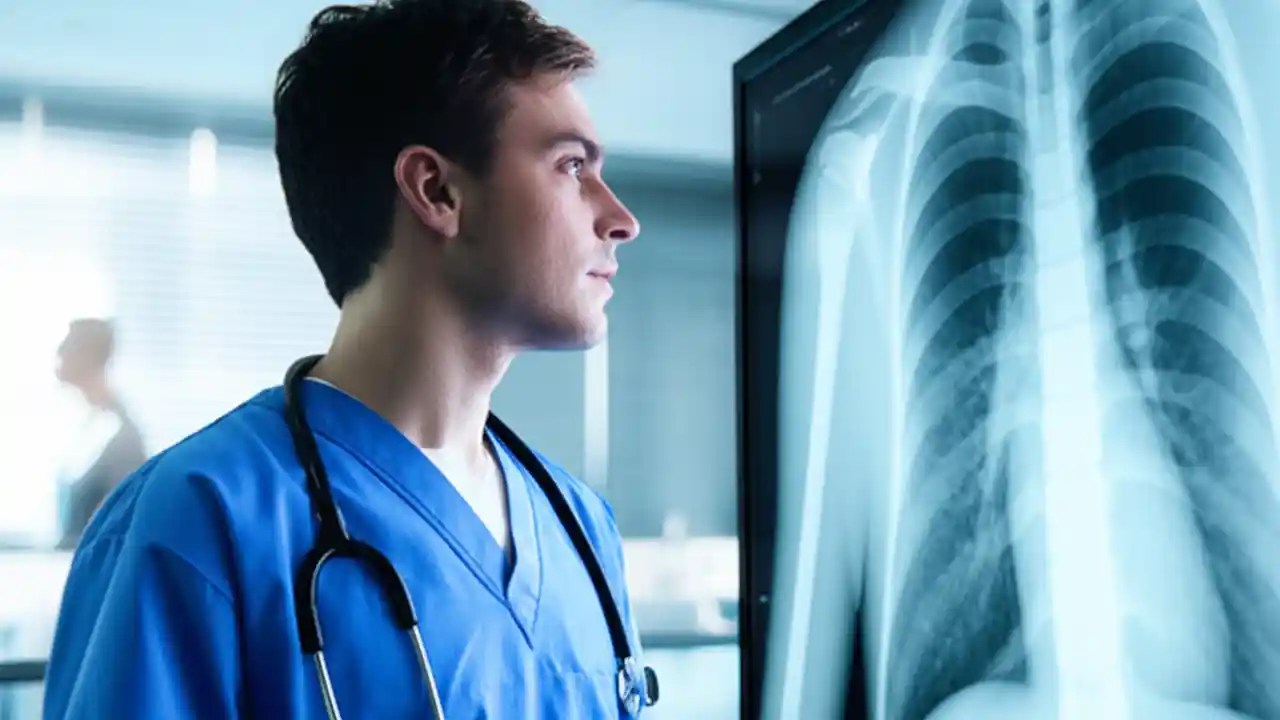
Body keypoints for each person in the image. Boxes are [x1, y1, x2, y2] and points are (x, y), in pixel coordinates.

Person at [42, 1, 652, 717]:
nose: (621, 219)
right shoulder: (198, 521)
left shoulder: (581, 527)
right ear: (437, 191)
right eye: (571, 165)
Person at [51, 318, 146, 550]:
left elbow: (117, 528)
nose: (59, 351)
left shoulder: (121, 435)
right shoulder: (88, 422)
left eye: (68, 344)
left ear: (88, 355)